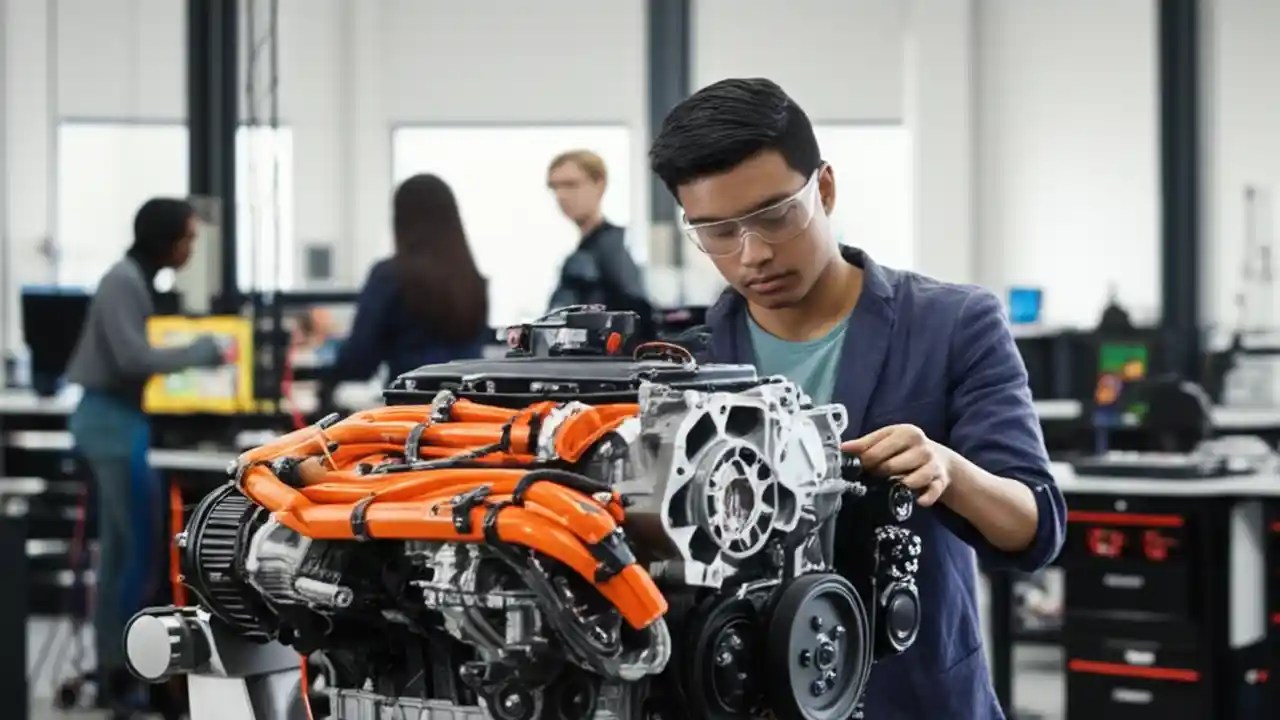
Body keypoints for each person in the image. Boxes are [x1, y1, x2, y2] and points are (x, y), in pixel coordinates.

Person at [649, 78, 1067, 718]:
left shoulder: (952, 325)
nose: (753, 254)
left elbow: (1035, 528)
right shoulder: (684, 367)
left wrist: (949, 471)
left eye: (775, 215)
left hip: (912, 698)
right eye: (717, 231)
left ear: (824, 188)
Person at [65, 197, 226, 717]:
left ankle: (117, 670)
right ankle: (126, 675)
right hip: (111, 424)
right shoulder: (122, 281)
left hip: (121, 422)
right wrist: (200, 352)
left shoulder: (135, 280)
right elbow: (132, 357)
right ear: (167, 239)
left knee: (121, 557)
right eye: (188, 237)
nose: (191, 247)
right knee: (137, 555)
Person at [328, 174, 488, 385]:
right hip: (467, 403)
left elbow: (359, 362)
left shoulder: (389, 276)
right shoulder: (472, 282)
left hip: (410, 401)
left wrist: (328, 351)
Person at [546, 150, 647, 314]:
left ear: (599, 185)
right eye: (555, 187)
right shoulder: (587, 250)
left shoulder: (612, 246)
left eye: (570, 184)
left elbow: (638, 310)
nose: (561, 195)